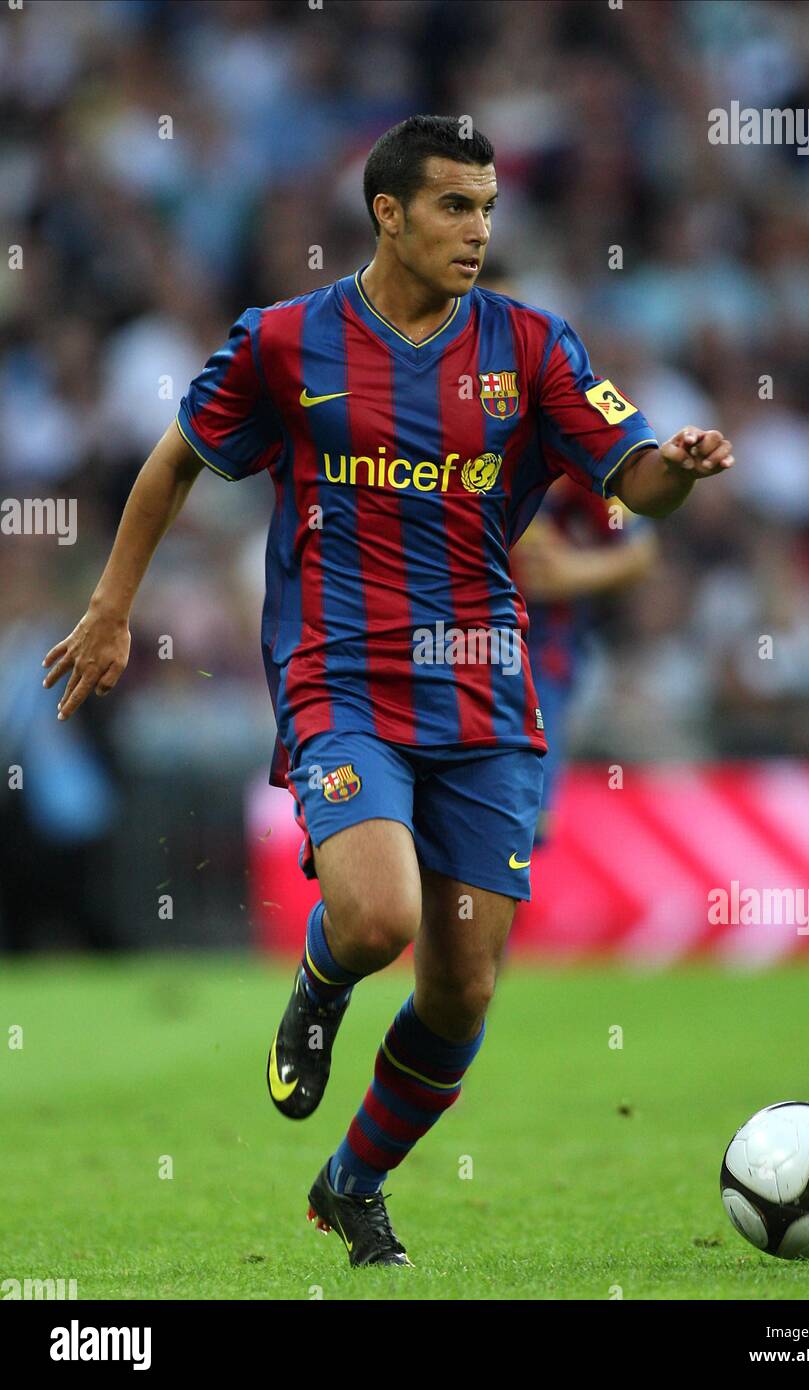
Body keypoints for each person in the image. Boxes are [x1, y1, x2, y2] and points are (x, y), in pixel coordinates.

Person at [42, 115, 735, 1268]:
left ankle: (352, 1182)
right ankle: (320, 986)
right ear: (389, 214)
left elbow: (636, 480)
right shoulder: (282, 343)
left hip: (484, 690)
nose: (477, 230)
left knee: (462, 989)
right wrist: (111, 607)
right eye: (455, 207)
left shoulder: (532, 345)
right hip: (342, 673)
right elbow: (170, 462)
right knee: (377, 918)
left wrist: (681, 470)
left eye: (489, 209)